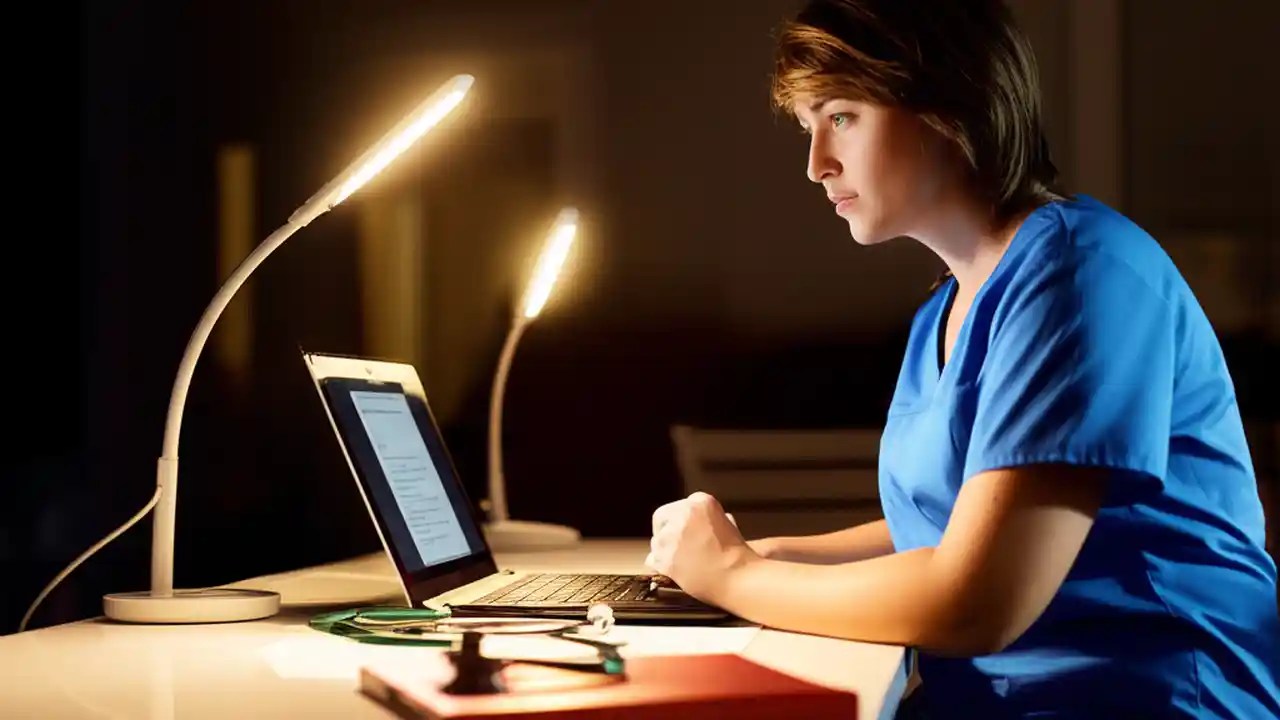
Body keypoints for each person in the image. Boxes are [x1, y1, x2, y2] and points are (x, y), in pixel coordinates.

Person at [644, 1, 1280, 717]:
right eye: (807, 127)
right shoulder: (946, 309)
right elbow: (961, 521)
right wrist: (776, 556)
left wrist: (733, 576)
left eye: (841, 117)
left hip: (1147, 699)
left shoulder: (1079, 274)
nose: (817, 164)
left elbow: (979, 599)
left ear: (948, 105)